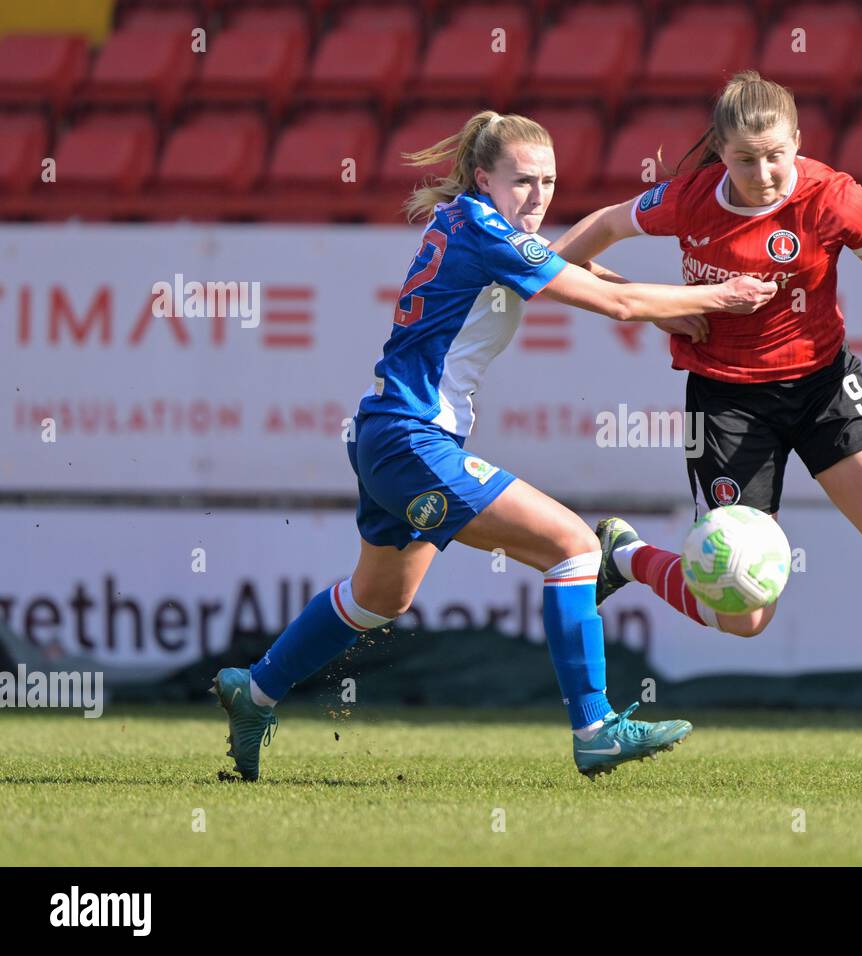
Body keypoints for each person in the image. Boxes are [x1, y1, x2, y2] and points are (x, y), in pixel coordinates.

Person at [212, 110, 776, 781]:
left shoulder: (467, 224)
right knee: (573, 547)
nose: (538, 195)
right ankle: (595, 728)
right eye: (523, 181)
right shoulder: (484, 230)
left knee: (378, 600)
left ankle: (256, 690)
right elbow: (613, 304)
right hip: (412, 439)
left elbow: (582, 277)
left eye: (549, 181)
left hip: (388, 436)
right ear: (484, 177)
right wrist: (717, 296)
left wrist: (677, 308)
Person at [551, 73, 862, 788]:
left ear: (799, 144)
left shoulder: (832, 197)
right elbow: (579, 244)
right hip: (725, 403)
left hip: (824, 389)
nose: (764, 174)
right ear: (719, 153)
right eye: (746, 159)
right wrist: (657, 307)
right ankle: (626, 556)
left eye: (777, 156)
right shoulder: (685, 200)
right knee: (745, 617)